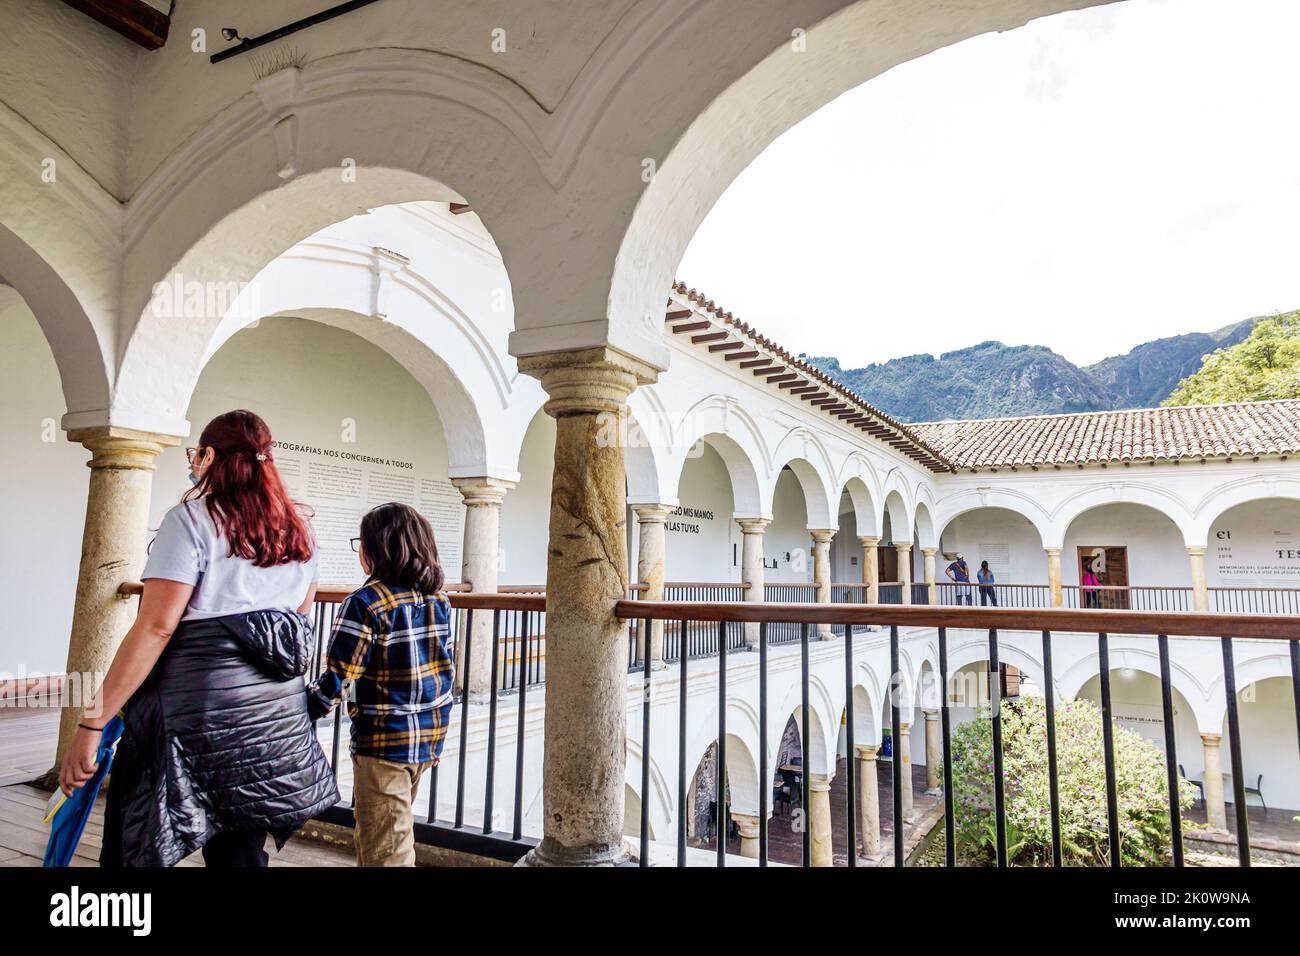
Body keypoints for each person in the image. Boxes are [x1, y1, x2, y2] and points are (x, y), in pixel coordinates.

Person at [60, 410, 339, 867]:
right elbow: (294, 620)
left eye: (196, 454)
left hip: (190, 714)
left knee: (137, 836)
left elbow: (156, 627)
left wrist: (93, 725)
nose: (193, 463)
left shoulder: (190, 520)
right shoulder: (300, 529)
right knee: (240, 851)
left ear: (209, 456)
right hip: (266, 716)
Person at [307, 503, 455, 867]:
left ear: (377, 548)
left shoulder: (365, 603)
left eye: (361, 542)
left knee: (386, 850)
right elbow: (444, 672)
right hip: (427, 737)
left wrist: (307, 707)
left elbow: (342, 677)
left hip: (383, 742)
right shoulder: (438, 599)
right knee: (391, 833)